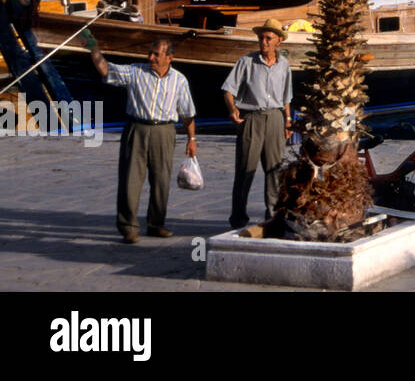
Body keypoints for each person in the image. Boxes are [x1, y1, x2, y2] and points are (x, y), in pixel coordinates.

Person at [87, 33, 197, 243]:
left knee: (161, 180)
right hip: (136, 129)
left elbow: (187, 113)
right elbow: (106, 69)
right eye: (150, 53)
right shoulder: (136, 72)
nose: (151, 58)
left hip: (164, 131)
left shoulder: (179, 80)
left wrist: (192, 139)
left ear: (169, 58)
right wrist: (93, 48)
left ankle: (156, 224)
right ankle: (128, 227)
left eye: (156, 55)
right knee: (130, 179)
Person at [223, 19, 293, 230]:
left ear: (278, 41)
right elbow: (228, 89)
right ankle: (238, 219)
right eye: (261, 38)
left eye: (268, 38)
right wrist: (232, 108)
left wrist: (288, 121)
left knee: (275, 170)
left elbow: (286, 97)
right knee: (245, 169)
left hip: (275, 119)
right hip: (251, 118)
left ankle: (273, 215)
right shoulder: (246, 62)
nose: (263, 42)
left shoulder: (284, 65)